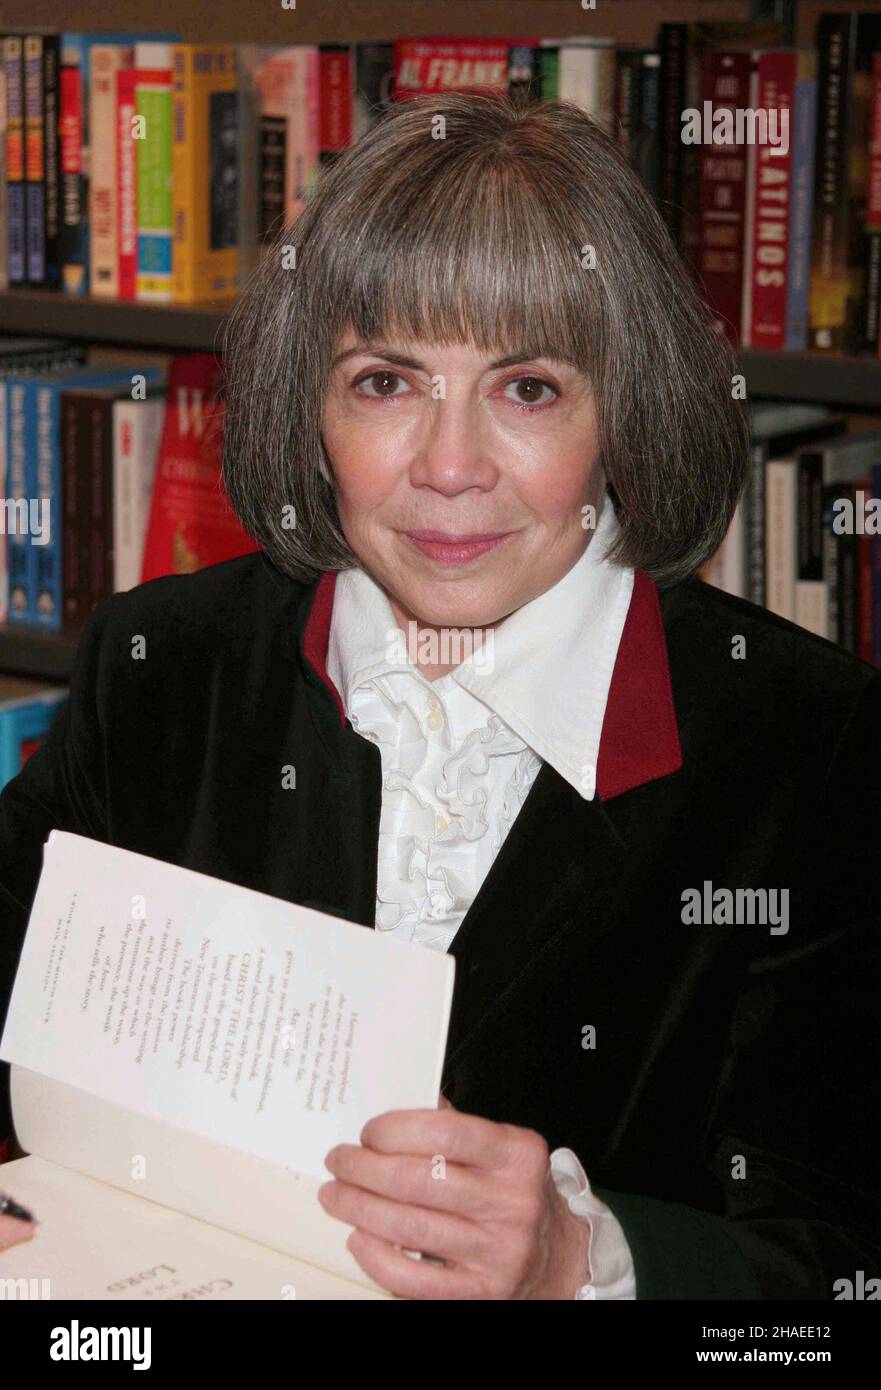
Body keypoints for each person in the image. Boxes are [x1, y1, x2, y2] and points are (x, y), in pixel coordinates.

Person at [1, 91, 879, 1299]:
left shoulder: (812, 748)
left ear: (622, 410)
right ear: (307, 412)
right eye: (383, 382)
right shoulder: (164, 665)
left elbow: (837, 1270)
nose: (449, 466)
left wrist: (589, 1263)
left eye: (525, 389)